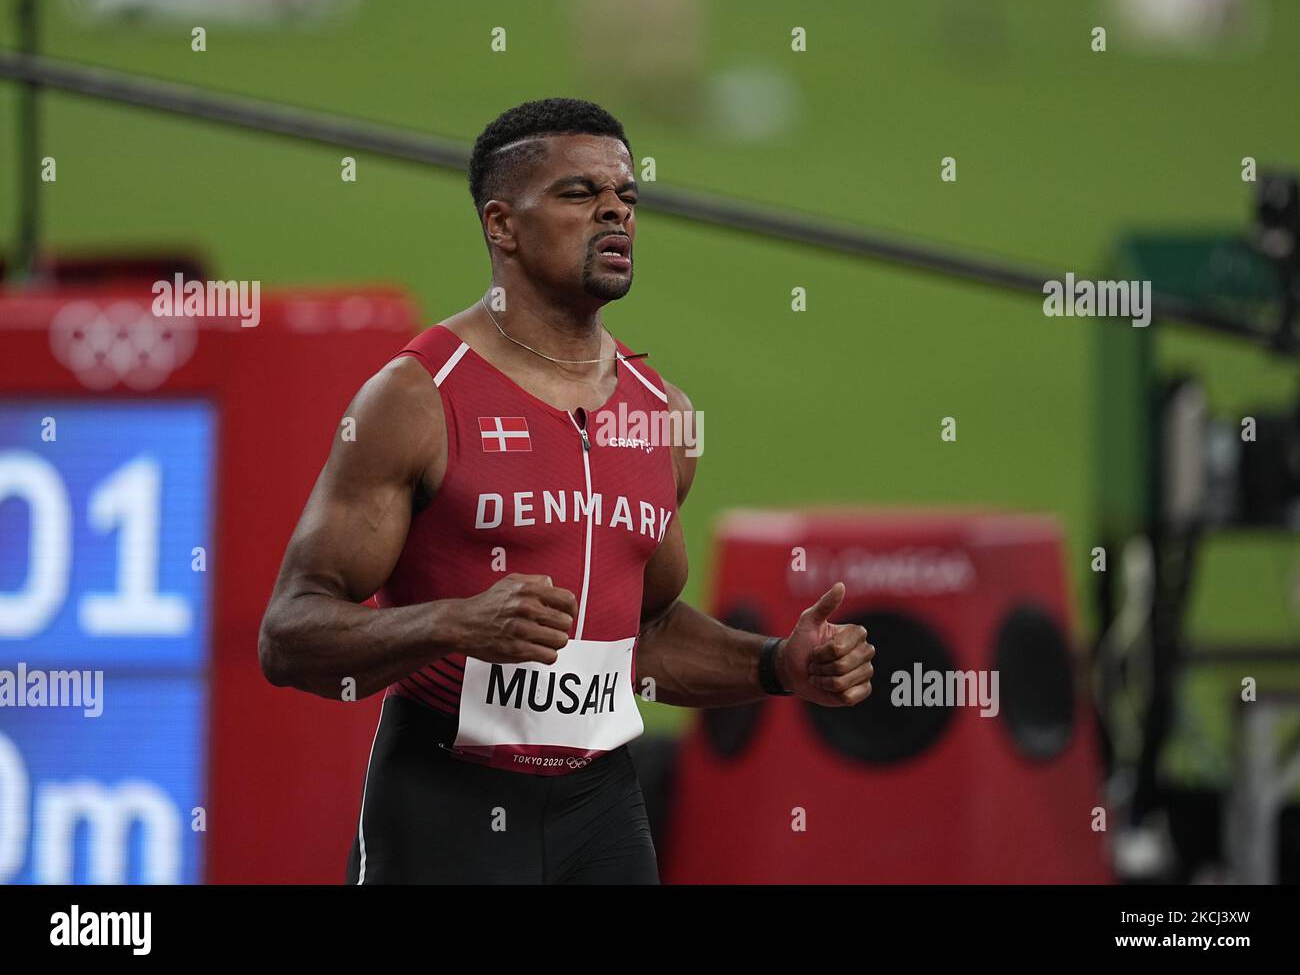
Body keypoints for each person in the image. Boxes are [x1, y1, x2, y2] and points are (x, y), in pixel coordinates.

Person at [257, 98, 874, 884]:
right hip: (446, 803)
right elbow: (290, 635)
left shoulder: (664, 415)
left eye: (627, 197)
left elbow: (640, 637)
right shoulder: (416, 400)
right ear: (501, 225)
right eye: (580, 195)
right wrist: (454, 622)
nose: (615, 212)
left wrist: (778, 665)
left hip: (600, 809)